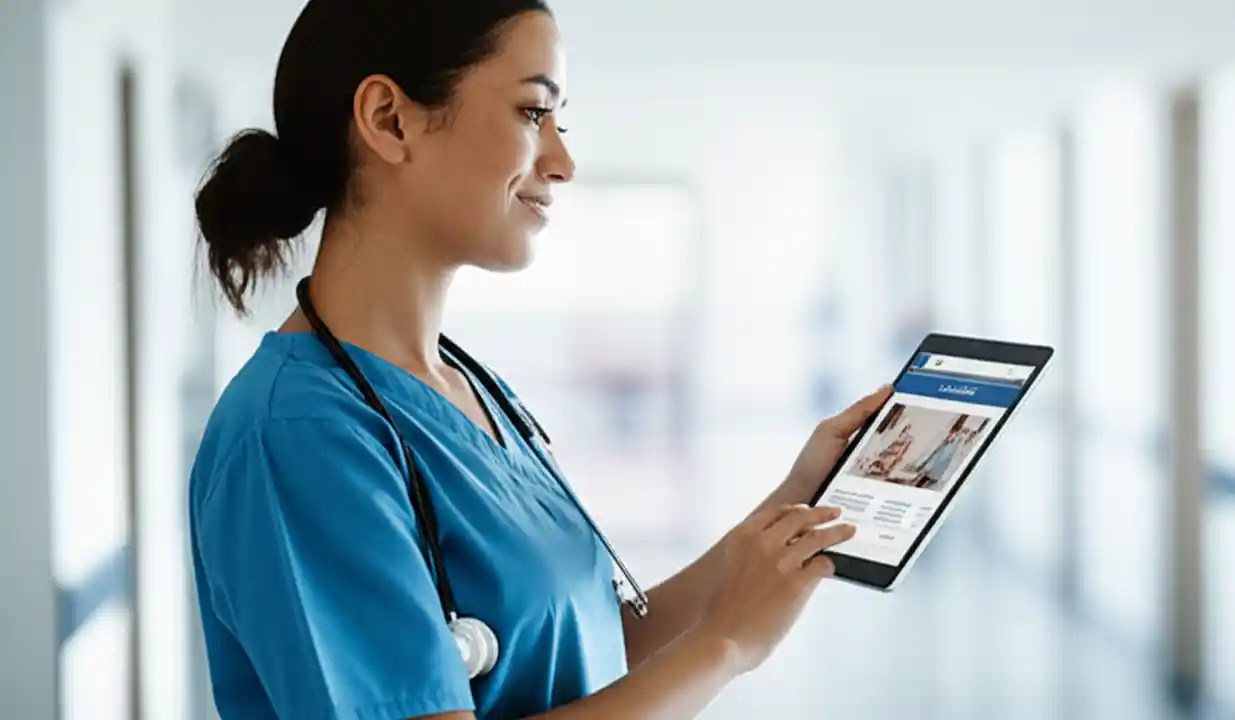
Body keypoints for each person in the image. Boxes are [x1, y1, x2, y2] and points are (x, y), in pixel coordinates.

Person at [187, 2, 892, 718]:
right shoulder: (299, 436)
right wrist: (726, 648)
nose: (562, 162)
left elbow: (588, 646)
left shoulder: (469, 388)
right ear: (390, 120)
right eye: (533, 113)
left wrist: (794, 502)